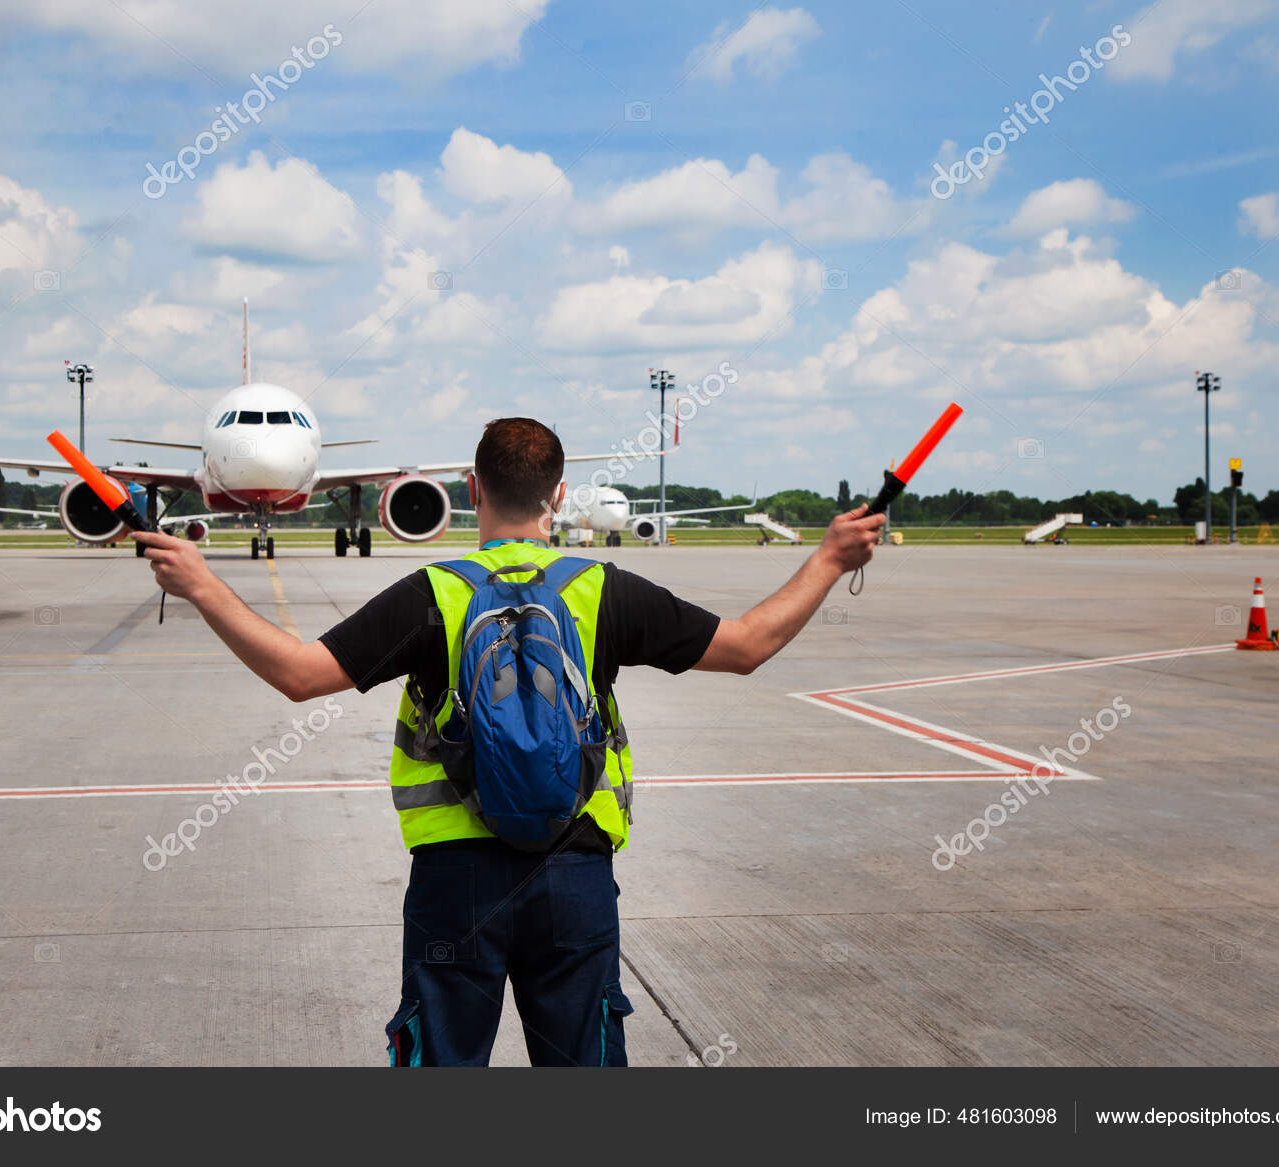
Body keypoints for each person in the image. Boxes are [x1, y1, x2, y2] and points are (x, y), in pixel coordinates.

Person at [135, 417, 883, 1066]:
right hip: (575, 878)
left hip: (453, 881)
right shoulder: (602, 589)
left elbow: (298, 674)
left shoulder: (435, 592)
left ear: (471, 486)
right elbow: (748, 645)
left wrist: (202, 583)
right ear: (558, 494)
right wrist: (826, 557)